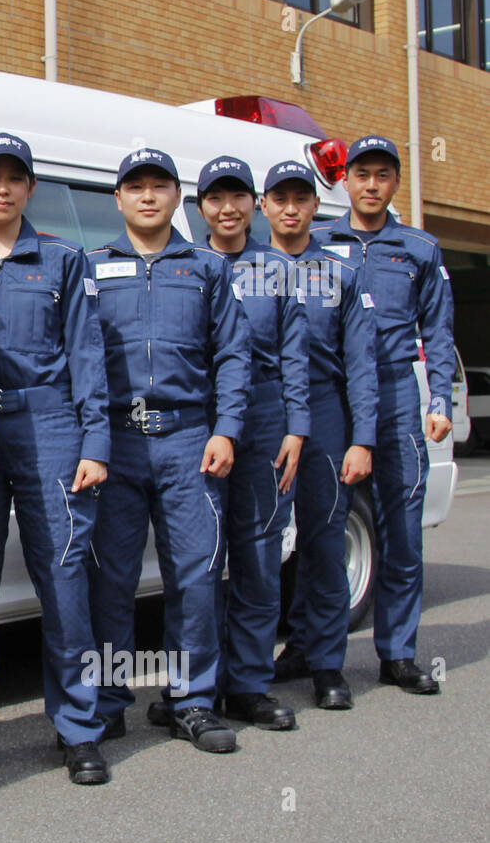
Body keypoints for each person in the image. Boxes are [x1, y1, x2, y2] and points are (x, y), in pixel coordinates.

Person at [0, 132, 112, 784]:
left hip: (50, 432)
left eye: (15, 177)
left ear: (30, 187)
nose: (2, 187)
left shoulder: (65, 261)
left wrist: (95, 443)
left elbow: (87, 357)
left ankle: (78, 728)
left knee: (64, 582)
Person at [87, 148, 251, 752]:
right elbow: (79, 359)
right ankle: (106, 702)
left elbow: (234, 353)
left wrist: (226, 429)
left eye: (160, 186)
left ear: (177, 197)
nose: (148, 196)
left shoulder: (206, 267)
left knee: (195, 575)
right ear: (119, 199)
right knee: (109, 578)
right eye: (136, 187)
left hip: (189, 440)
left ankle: (192, 700)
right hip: (117, 441)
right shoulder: (92, 267)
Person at [291, 136, 453, 694]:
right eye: (362, 175)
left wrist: (439, 403)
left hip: (396, 392)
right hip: (335, 395)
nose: (371, 185)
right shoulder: (320, 243)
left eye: (383, 175)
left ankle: (398, 652)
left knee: (401, 527)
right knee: (324, 525)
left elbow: (437, 329)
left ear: (395, 184)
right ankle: (310, 646)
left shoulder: (420, 248)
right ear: (347, 181)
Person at [185, 155, 309, 732]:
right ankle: (197, 690)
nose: (227, 208)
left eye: (238, 197)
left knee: (258, 560)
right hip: (199, 423)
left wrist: (296, 427)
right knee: (202, 564)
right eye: (216, 198)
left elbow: (295, 355)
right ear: (201, 205)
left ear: (252, 204)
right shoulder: (186, 265)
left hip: (263, 422)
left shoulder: (277, 269)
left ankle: (251, 686)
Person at [263, 160, 377, 709]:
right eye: (279, 198)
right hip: (263, 414)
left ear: (314, 207)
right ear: (264, 206)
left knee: (325, 543)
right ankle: (256, 662)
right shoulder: (238, 271)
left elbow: (360, 365)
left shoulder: (341, 275)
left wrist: (362, 440)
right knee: (258, 545)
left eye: (300, 199)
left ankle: (327, 664)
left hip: (327, 415)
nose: (290, 208)